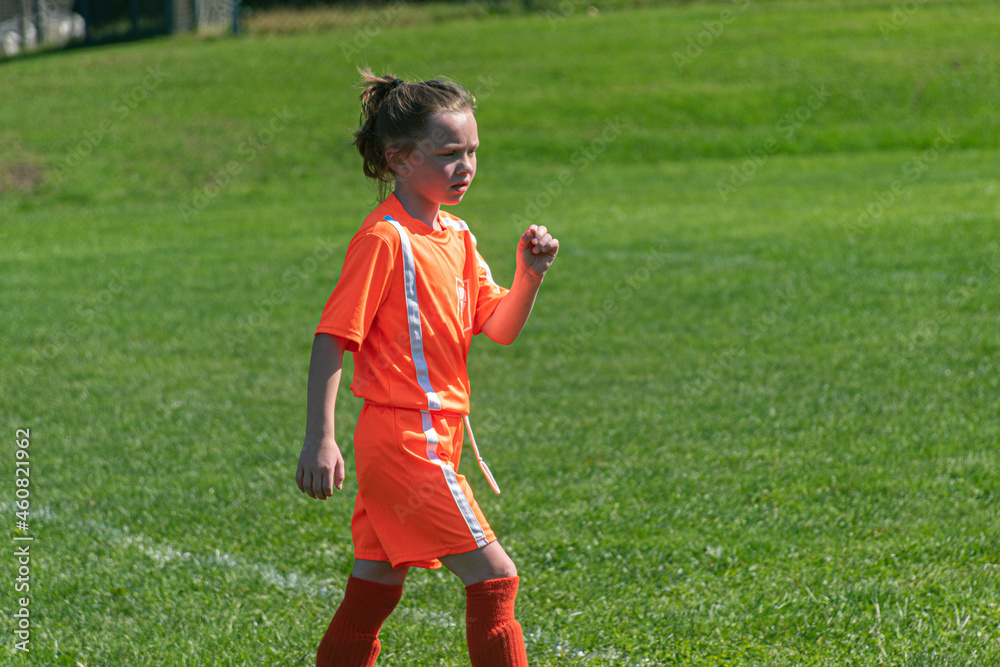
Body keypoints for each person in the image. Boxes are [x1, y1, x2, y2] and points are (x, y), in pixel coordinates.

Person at [296, 67, 559, 667]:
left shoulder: (458, 236)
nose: (464, 166)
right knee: (495, 577)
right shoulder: (385, 238)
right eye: (447, 154)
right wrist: (320, 439)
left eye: (471, 152)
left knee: (373, 590)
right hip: (403, 438)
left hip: (434, 436)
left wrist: (529, 276)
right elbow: (331, 339)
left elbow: (499, 328)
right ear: (398, 159)